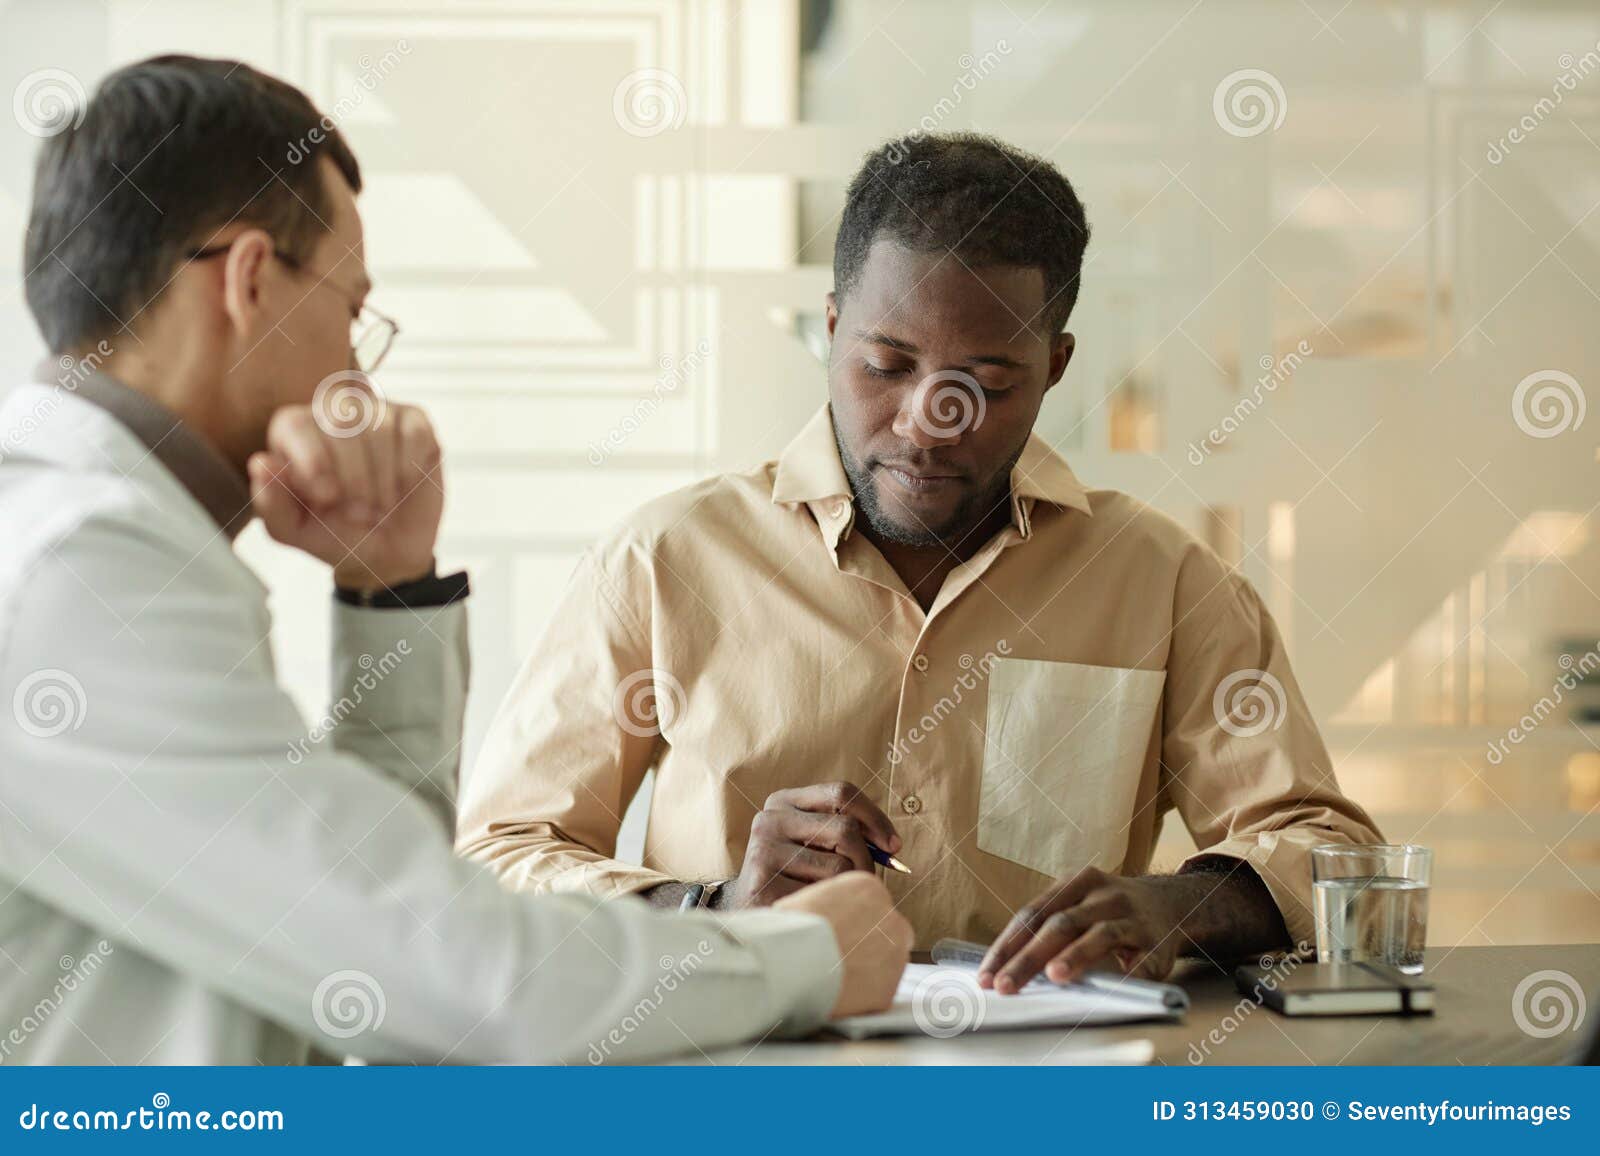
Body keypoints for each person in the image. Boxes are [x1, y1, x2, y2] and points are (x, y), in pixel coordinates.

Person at [0, 54, 909, 1066]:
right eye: (352, 313)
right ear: (252, 278)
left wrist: (392, 589)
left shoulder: (91, 537)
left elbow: (362, 955)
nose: (355, 369)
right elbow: (463, 982)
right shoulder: (77, 567)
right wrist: (797, 956)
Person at [458, 132, 1382, 991]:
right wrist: (711, 911)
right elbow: (499, 853)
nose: (924, 423)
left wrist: (1178, 906)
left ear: (1056, 366)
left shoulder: (1165, 581)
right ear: (828, 328)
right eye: (887, 365)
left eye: (984, 383)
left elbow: (1327, 849)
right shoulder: (663, 560)